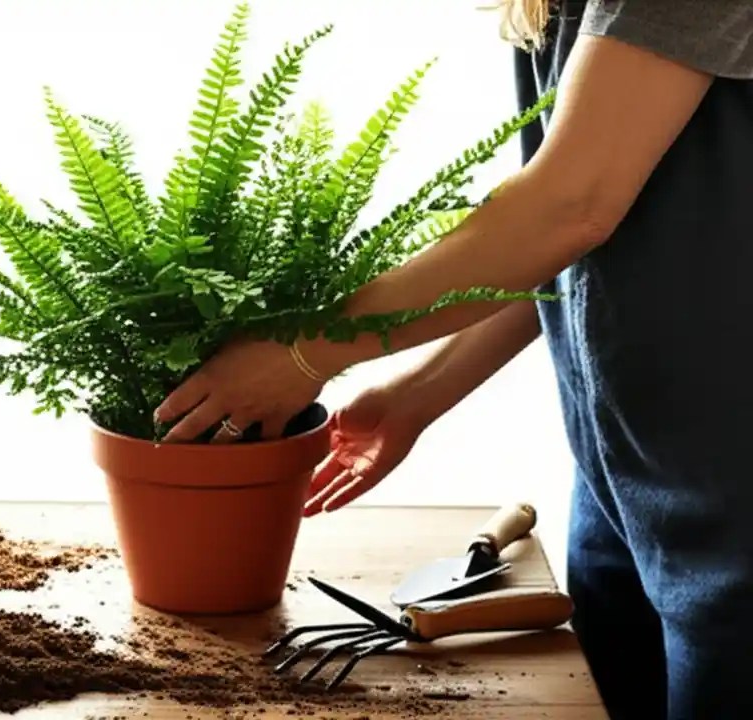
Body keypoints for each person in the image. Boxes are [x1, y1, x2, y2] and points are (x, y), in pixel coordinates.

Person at [153, 1, 753, 718]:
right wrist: (420, 392)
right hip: (632, 474)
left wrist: (302, 353)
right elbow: (578, 243)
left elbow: (570, 205)